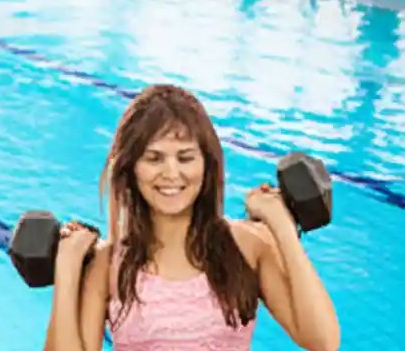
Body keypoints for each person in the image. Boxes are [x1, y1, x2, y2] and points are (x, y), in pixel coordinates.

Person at [44, 84, 340, 351]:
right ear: (131, 168)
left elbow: (323, 340)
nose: (171, 174)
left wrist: (282, 227)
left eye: (185, 158)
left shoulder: (246, 247)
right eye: (154, 158)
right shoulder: (109, 265)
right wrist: (67, 270)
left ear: (206, 165)